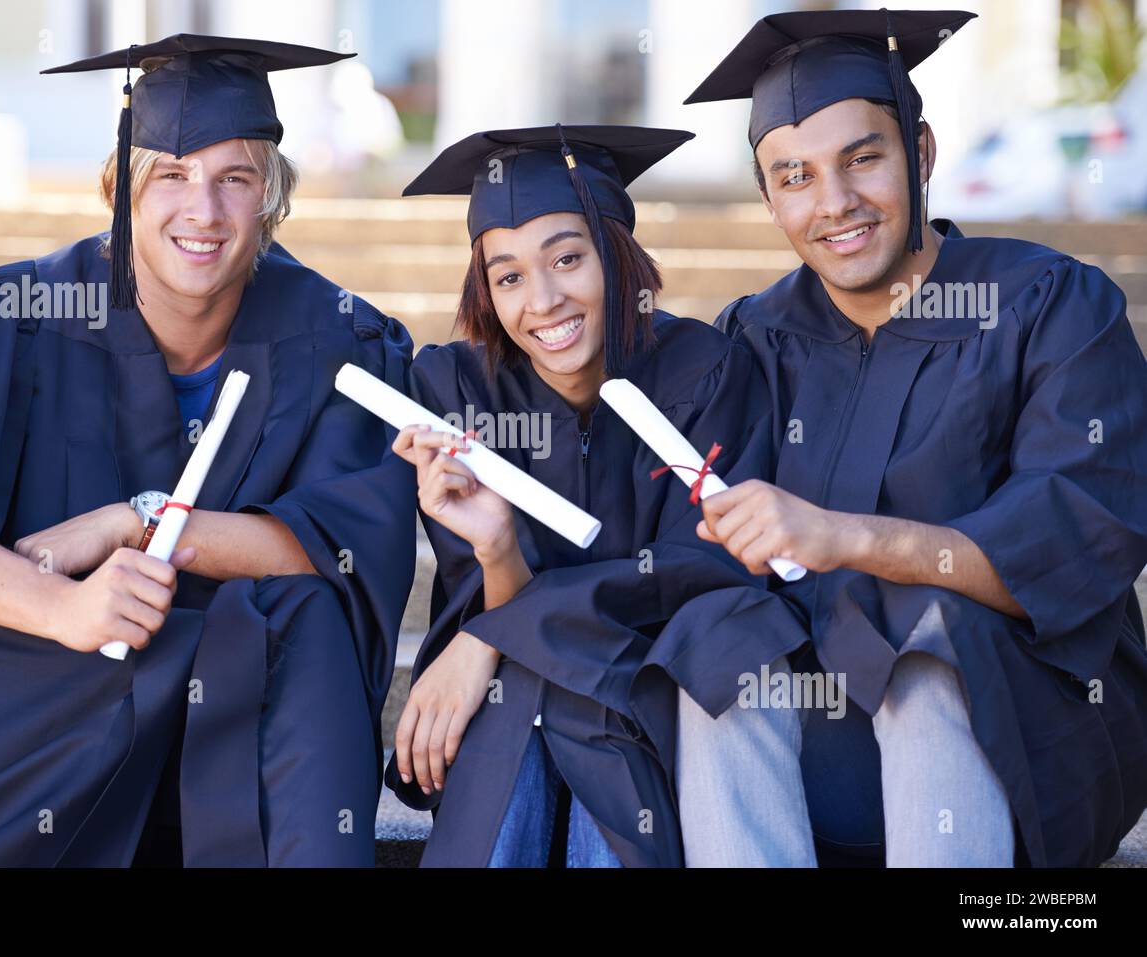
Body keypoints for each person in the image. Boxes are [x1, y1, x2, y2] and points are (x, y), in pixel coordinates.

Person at [0, 34, 416, 866]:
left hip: (219, 690)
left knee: (306, 619)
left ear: (272, 197)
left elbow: (339, 543)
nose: (204, 211)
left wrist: (138, 522)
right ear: (118, 186)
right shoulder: (8, 318)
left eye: (236, 178)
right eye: (172, 175)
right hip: (32, 676)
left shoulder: (336, 338)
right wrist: (64, 608)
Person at [642, 8, 1147, 867]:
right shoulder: (755, 337)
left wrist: (848, 538)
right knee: (716, 651)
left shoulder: (1049, 305)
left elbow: (1076, 532)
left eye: (861, 159)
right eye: (794, 177)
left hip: (1027, 734)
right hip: (829, 750)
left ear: (921, 155)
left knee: (929, 649)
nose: (833, 204)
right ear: (769, 200)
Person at [384, 125, 772, 866]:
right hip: (515, 699)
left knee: (596, 744)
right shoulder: (458, 389)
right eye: (508, 277)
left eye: (567, 258)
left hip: (649, 693)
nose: (544, 301)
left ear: (619, 259)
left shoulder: (707, 372)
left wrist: (489, 633)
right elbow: (487, 588)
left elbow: (701, 572)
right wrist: (497, 552)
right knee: (512, 735)